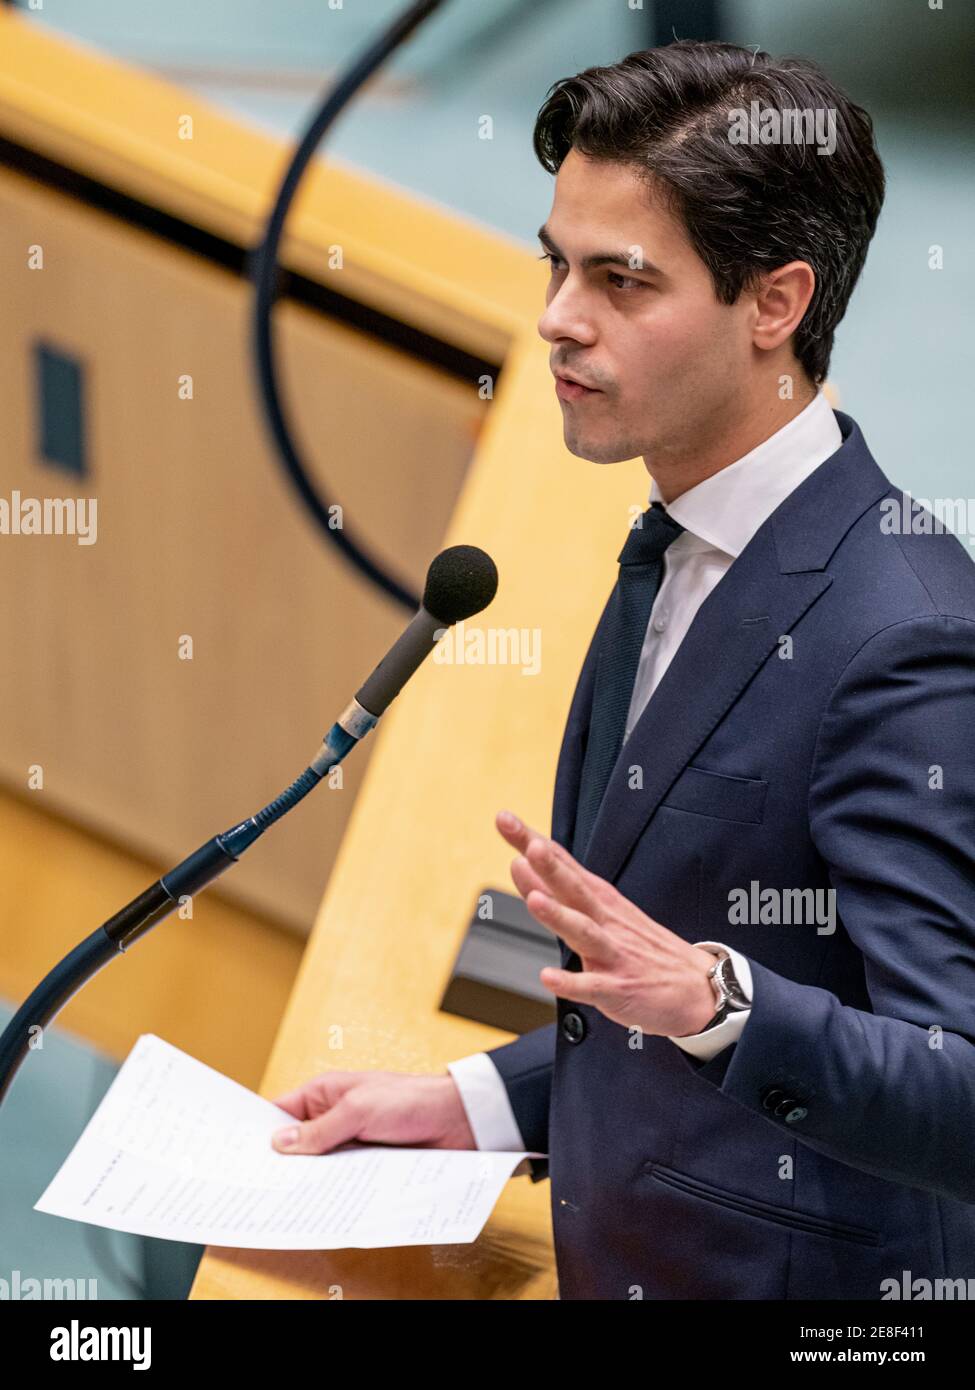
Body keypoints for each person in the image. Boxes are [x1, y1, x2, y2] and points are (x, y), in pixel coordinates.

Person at [270, 40, 975, 1300]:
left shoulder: (906, 637)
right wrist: (479, 1099)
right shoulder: (674, 541)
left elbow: (956, 1081)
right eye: (557, 260)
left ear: (775, 304)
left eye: (621, 279)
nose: (556, 316)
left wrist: (717, 995)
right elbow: (661, 990)